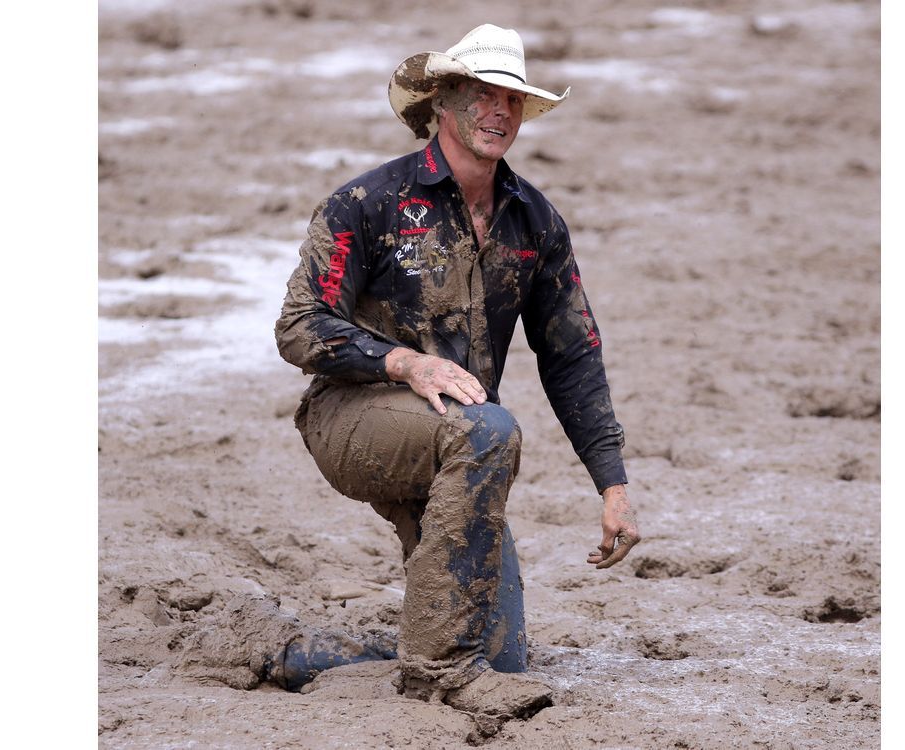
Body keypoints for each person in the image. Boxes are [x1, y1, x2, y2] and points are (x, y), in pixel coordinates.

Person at [274, 23, 640, 719]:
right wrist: (403, 362)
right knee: (490, 429)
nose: (500, 111)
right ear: (443, 101)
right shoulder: (368, 205)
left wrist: (613, 483)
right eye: (482, 94)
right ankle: (442, 671)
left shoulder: (535, 221)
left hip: (462, 447)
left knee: (503, 656)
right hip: (354, 422)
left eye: (512, 98)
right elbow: (298, 327)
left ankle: (304, 658)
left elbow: (573, 354)